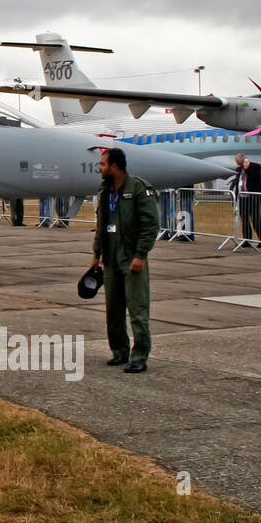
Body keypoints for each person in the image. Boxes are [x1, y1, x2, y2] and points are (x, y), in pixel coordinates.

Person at [91, 148, 159, 374]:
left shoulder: (138, 188)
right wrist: (96, 255)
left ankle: (139, 356)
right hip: (111, 258)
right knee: (113, 309)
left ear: (115, 166)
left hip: (132, 258)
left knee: (137, 309)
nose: (99, 168)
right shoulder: (105, 191)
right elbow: (101, 225)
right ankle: (119, 351)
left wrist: (141, 255)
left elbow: (150, 225)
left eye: (102, 164)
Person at [228, 153, 261, 246]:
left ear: (244, 160)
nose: (238, 165)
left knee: (255, 219)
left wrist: (247, 169)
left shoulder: (255, 166)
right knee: (244, 220)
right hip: (242, 198)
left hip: (253, 197)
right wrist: (235, 197)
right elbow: (238, 183)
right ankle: (247, 239)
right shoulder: (238, 169)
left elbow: (255, 178)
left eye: (239, 163)